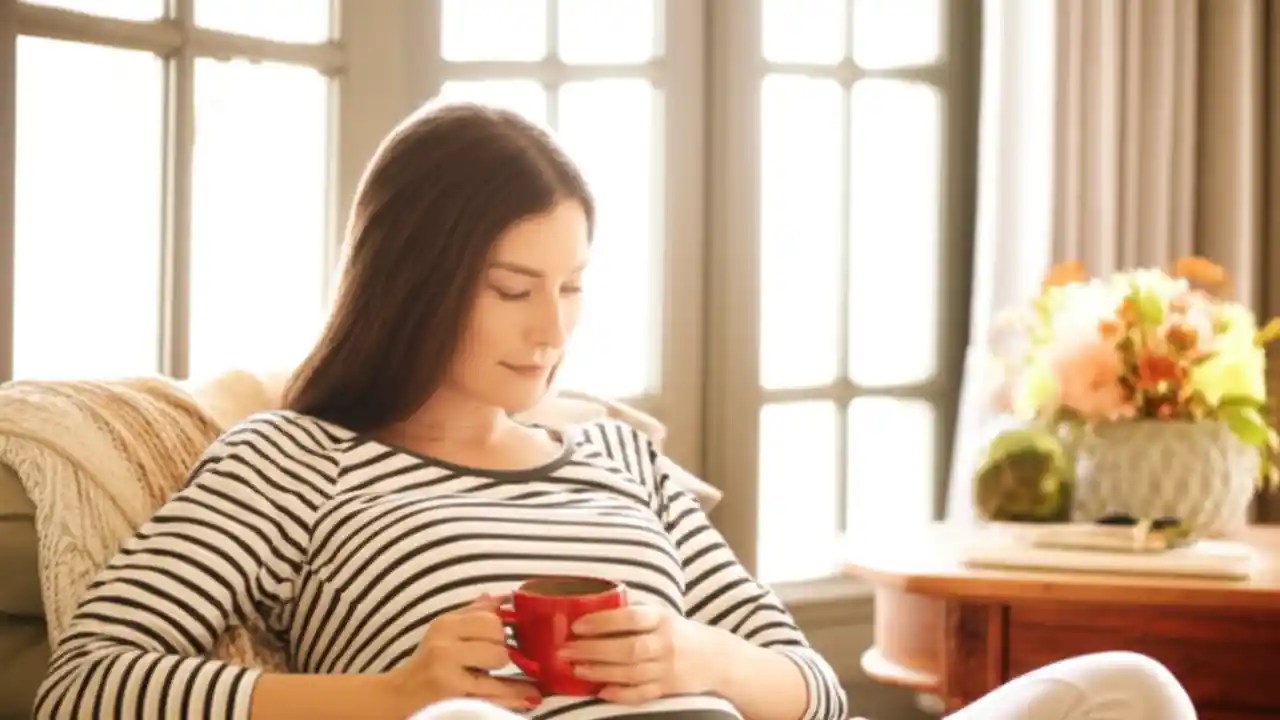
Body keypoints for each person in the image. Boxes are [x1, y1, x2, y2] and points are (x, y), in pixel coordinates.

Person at [31, 102, 1196, 720]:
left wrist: (698, 658)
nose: (553, 329)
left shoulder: (619, 459)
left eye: (573, 287)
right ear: (414, 275)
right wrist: (390, 699)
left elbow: (818, 692)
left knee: (1131, 688)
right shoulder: (294, 458)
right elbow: (88, 684)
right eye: (510, 290)